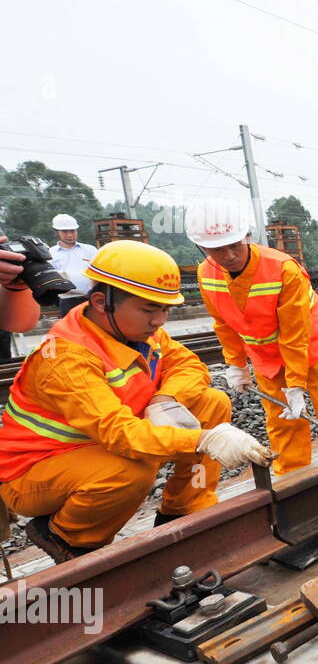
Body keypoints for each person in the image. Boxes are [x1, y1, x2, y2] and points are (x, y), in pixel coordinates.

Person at [0, 241, 272, 562]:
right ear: (102, 302)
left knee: (210, 403)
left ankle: (183, 510)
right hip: (34, 471)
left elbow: (190, 366)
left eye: (165, 309)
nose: (160, 320)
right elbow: (121, 435)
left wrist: (165, 398)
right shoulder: (67, 358)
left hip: (95, 444)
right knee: (131, 471)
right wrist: (204, 439)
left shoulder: (137, 330)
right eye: (149, 309)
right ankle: (71, 538)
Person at [188, 208, 318, 475]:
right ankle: (293, 480)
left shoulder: (282, 268)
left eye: (234, 246)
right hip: (266, 357)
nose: (229, 256)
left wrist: (296, 383)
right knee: (281, 422)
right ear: (202, 248)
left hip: (312, 346)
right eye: (218, 250)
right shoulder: (206, 274)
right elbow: (224, 323)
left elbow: (295, 332)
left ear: (247, 237)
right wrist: (237, 365)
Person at [48, 213, 98, 295]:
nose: (70, 235)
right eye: (64, 231)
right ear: (56, 232)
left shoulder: (91, 250)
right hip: (65, 298)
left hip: (91, 296)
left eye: (72, 231)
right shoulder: (50, 254)